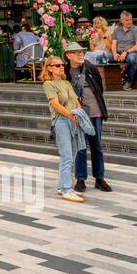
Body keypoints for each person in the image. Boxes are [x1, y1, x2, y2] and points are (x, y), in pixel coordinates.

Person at [64, 42, 112, 193]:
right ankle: (80, 179)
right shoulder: (64, 71)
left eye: (81, 52)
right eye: (76, 52)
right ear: (68, 55)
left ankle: (99, 178)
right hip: (78, 114)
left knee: (96, 146)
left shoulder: (90, 68)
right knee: (81, 147)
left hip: (95, 112)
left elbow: (99, 87)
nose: (80, 54)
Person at [42, 56, 86, 203]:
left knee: (72, 155)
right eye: (57, 65)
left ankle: (62, 186)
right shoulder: (49, 84)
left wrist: (79, 116)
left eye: (62, 65)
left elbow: (76, 101)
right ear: (49, 68)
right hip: (61, 121)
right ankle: (67, 189)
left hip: (73, 120)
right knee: (66, 156)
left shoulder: (66, 82)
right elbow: (55, 105)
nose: (61, 67)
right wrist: (71, 116)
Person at [110, 11, 137, 90]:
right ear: (121, 21)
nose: (129, 22)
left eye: (130, 20)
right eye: (126, 20)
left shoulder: (136, 30)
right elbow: (113, 44)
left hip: (134, 52)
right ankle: (110, 83)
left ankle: (128, 81)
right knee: (101, 58)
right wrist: (114, 54)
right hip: (119, 53)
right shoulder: (117, 30)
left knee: (131, 58)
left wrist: (126, 52)